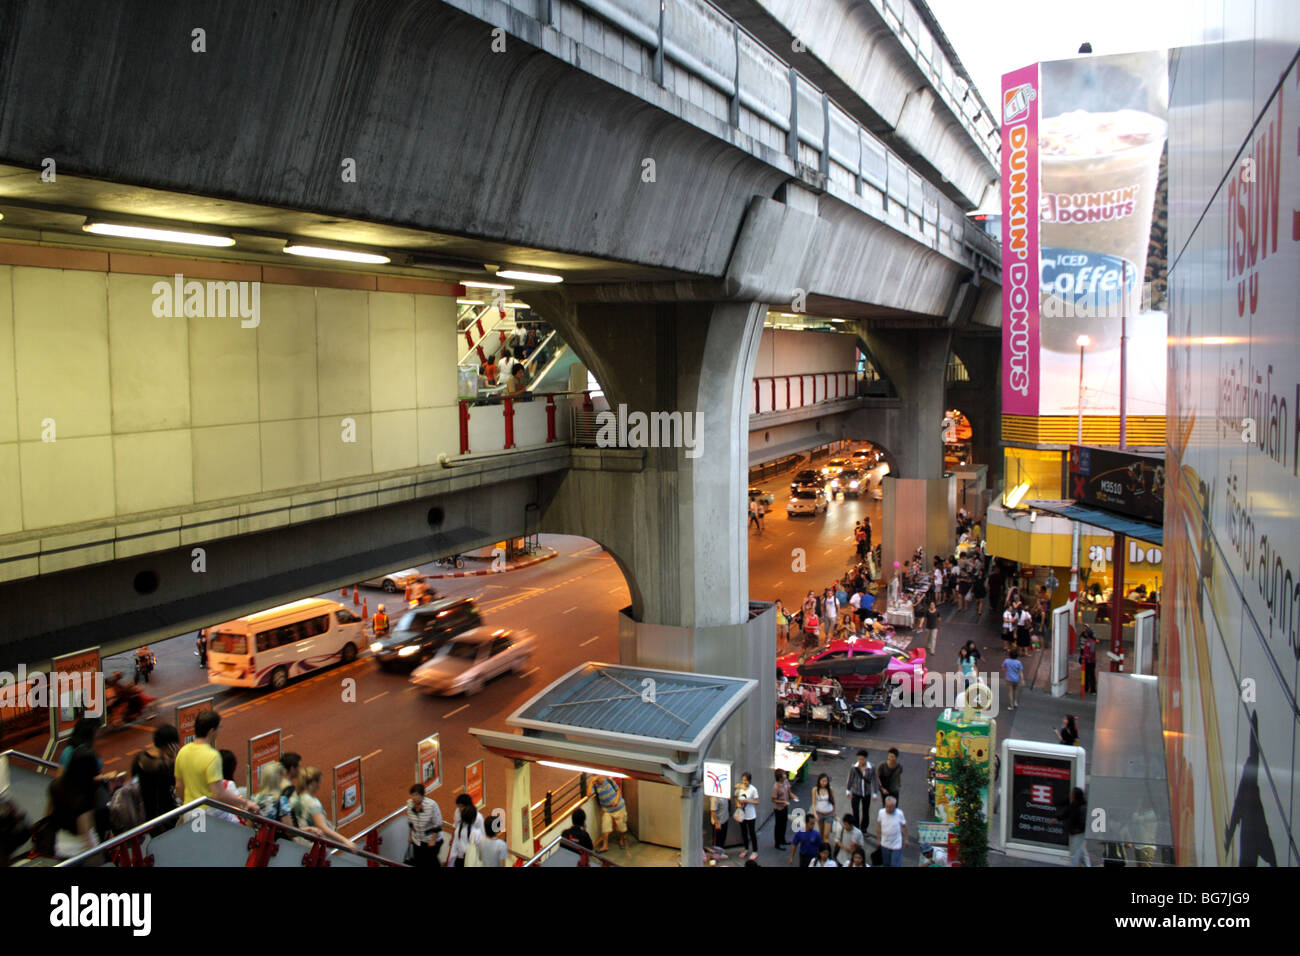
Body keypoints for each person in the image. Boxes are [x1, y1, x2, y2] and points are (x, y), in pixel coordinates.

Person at [174, 710, 257, 817]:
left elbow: (179, 786)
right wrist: (246, 803)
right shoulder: (212, 756)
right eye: (218, 728)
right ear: (211, 731)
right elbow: (219, 793)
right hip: (209, 814)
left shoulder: (182, 751)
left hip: (189, 811)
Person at [291, 767, 355, 849]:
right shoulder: (313, 803)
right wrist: (346, 841)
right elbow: (323, 827)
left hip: (297, 844)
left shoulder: (294, 797)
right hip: (313, 847)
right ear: (313, 783)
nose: (319, 787)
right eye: (319, 783)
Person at [130, 724, 180, 825]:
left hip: (145, 811)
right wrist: (173, 758)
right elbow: (175, 783)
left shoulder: (140, 758)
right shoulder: (164, 765)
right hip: (165, 815)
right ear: (170, 744)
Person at [406, 783, 443, 867]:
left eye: (416, 795)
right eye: (412, 795)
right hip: (417, 839)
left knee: (431, 862)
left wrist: (432, 840)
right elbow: (411, 822)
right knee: (419, 862)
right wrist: (410, 836)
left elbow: (438, 824)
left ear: (422, 795)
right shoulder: (409, 804)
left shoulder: (432, 805)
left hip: (430, 840)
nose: (414, 797)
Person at [589, 774, 628, 852]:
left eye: (598, 777)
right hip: (606, 810)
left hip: (618, 808)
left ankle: (622, 839)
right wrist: (591, 782)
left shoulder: (609, 780)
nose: (597, 780)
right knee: (605, 828)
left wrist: (616, 800)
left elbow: (618, 790)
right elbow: (589, 794)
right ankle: (605, 846)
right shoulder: (595, 786)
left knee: (622, 828)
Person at [1057, 787, 1090, 866]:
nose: (1070, 795)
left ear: (1076, 795)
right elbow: (1067, 812)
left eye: (1072, 794)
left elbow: (1084, 822)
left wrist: (1077, 830)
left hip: (1078, 833)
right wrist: (1057, 818)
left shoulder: (1082, 807)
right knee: (1080, 851)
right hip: (1075, 832)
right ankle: (1086, 865)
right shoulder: (1074, 804)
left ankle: (1075, 864)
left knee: (1075, 852)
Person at [875, 794, 908, 867]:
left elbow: (904, 826)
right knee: (886, 864)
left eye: (890, 807)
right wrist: (878, 839)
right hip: (885, 844)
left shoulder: (899, 813)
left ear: (894, 807)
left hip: (896, 844)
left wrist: (906, 839)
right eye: (886, 806)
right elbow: (879, 826)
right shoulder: (881, 812)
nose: (888, 808)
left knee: (894, 864)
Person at [845, 750, 874, 829]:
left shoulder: (871, 767)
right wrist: (848, 790)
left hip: (866, 793)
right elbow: (850, 779)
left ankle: (864, 828)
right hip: (856, 792)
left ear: (866, 759)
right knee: (855, 811)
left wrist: (875, 793)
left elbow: (874, 780)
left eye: (862, 759)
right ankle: (856, 828)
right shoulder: (854, 767)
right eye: (859, 759)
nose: (860, 761)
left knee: (866, 811)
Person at [734, 772, 760, 861]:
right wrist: (737, 804)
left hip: (750, 815)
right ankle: (746, 849)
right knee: (744, 832)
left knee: (752, 833)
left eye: (746, 780)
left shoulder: (753, 789)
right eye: (743, 780)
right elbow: (735, 797)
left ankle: (755, 851)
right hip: (742, 814)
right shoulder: (739, 788)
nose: (744, 782)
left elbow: (757, 802)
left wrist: (748, 801)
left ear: (749, 780)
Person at [771, 769, 794, 850]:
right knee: (778, 825)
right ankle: (777, 843)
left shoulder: (786, 782)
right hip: (779, 808)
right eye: (783, 774)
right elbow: (773, 799)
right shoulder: (776, 786)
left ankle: (783, 839)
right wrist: (783, 802)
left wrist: (792, 796)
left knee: (784, 824)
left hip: (785, 806)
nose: (785, 775)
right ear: (780, 777)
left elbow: (789, 790)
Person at [811, 773, 835, 843]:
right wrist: (815, 814)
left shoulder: (830, 789)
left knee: (826, 834)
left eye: (826, 781)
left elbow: (833, 802)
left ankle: (827, 848)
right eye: (823, 781)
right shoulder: (815, 789)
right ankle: (821, 848)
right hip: (819, 813)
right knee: (821, 833)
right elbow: (813, 803)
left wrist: (834, 813)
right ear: (819, 781)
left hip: (829, 813)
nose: (824, 783)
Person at [1079, 627, 1098, 695]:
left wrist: (1089, 659)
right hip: (1086, 660)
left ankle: (1093, 690)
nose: (1085, 633)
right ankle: (1086, 688)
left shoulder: (1092, 642)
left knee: (1091, 675)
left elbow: (1092, 652)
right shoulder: (1087, 641)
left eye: (1086, 632)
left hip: (1091, 661)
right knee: (1086, 675)